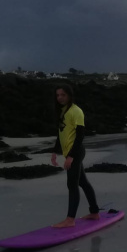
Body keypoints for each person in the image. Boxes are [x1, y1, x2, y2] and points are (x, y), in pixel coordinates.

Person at [50, 84, 101, 228]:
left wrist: (71, 156)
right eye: (58, 95)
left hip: (76, 152)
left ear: (69, 96)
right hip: (71, 153)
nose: (60, 97)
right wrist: (55, 151)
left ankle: (70, 219)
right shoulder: (62, 112)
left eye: (63, 95)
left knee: (72, 184)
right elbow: (61, 134)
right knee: (82, 182)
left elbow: (80, 136)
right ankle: (95, 212)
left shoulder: (76, 111)